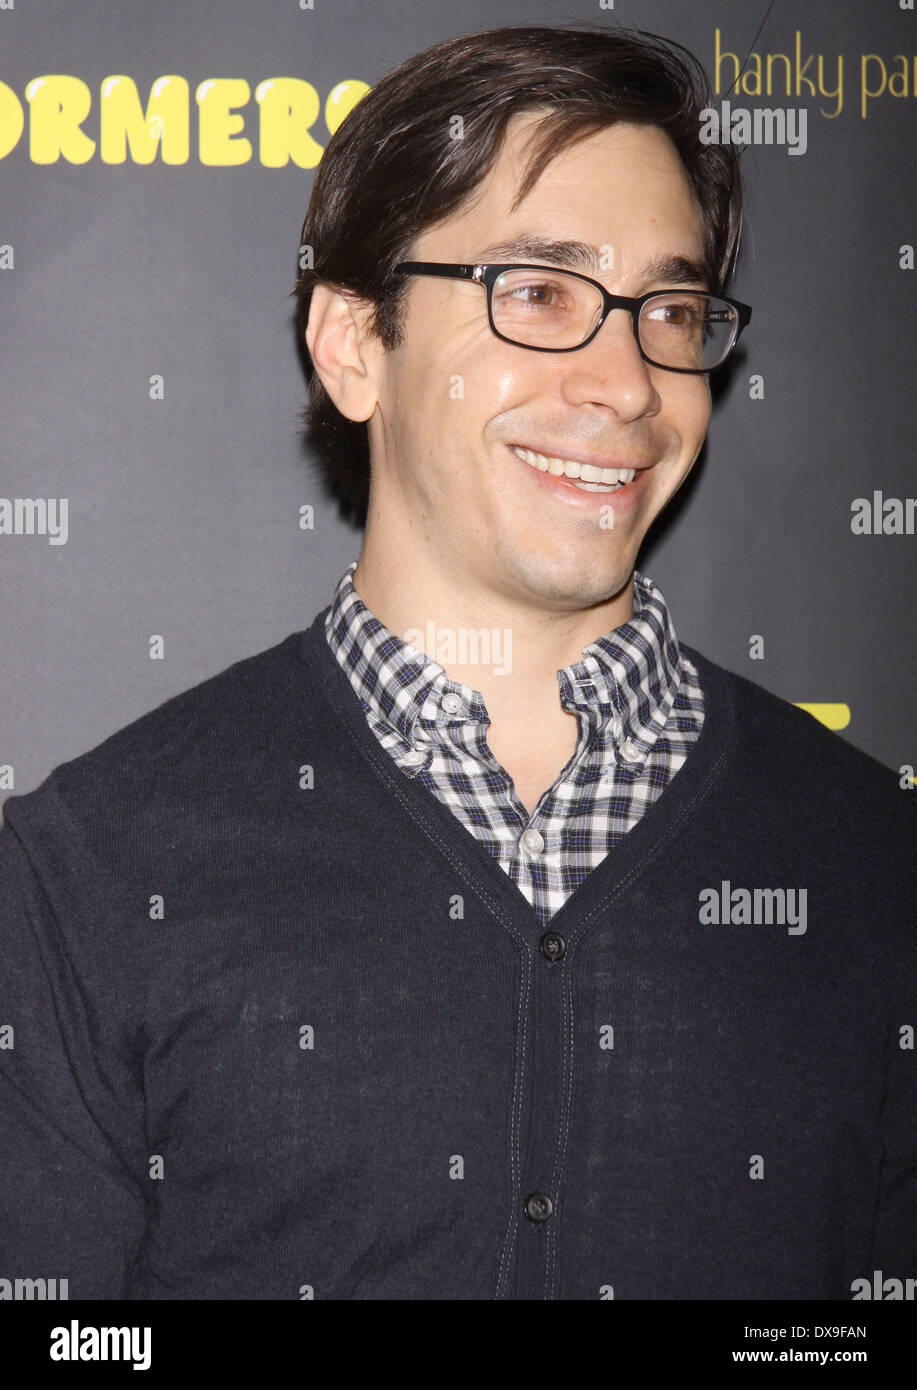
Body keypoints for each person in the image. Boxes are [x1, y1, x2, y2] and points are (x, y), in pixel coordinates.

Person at [1, 24, 914, 1302]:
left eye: (667, 307)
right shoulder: (90, 867)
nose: (626, 383)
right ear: (353, 346)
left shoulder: (873, 860)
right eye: (538, 292)